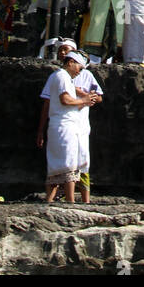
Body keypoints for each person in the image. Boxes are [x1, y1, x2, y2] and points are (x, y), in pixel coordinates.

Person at [40, 50, 97, 204]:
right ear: (71, 62)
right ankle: (70, 201)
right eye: (79, 67)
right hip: (64, 127)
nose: (80, 71)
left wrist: (83, 102)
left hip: (60, 125)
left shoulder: (60, 77)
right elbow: (65, 100)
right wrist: (84, 100)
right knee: (68, 165)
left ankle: (49, 200)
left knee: (57, 166)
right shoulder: (62, 76)